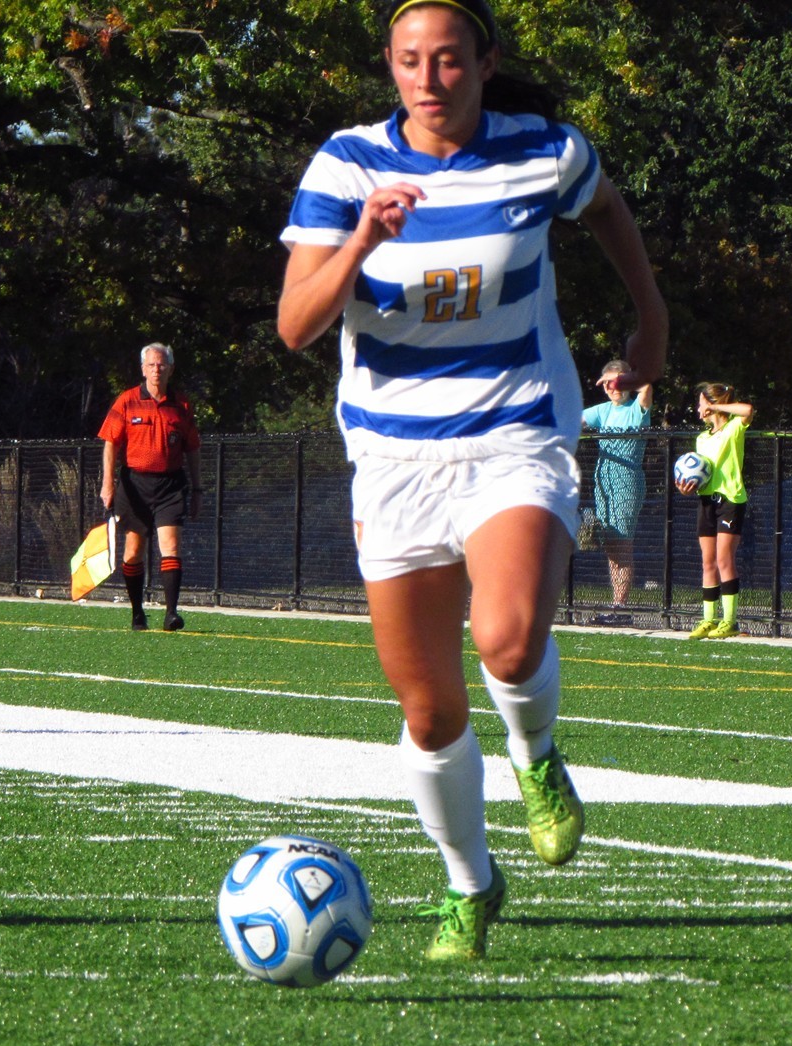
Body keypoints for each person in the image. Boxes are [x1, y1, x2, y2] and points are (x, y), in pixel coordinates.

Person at [277, 0, 667, 962]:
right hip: (393, 456)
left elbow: (606, 205)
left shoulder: (543, 152)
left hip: (515, 430)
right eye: (410, 61)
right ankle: (470, 886)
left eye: (448, 60)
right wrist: (362, 240)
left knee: (504, 636)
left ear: (485, 66)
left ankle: (536, 757)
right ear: (391, 68)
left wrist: (650, 316)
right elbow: (295, 326)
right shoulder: (346, 167)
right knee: (429, 711)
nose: (428, 78)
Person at [97, 343, 203, 632]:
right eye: (151, 365)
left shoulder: (181, 405)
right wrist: (108, 484)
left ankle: (171, 613)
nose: (157, 369)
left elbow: (192, 449)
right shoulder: (127, 401)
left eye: (162, 364)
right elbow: (110, 443)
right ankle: (137, 613)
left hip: (170, 485)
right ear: (143, 369)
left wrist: (197, 489)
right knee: (133, 551)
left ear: (170, 368)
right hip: (134, 486)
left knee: (171, 546)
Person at [675, 383, 754, 639]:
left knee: (724, 560)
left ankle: (730, 621)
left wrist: (716, 405)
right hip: (707, 501)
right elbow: (703, 477)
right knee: (708, 562)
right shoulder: (702, 438)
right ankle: (709, 619)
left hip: (730, 500)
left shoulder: (733, 429)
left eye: (701, 403)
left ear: (712, 404)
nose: (699, 409)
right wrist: (688, 488)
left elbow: (747, 410)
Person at [581, 360, 654, 623]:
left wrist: (629, 379)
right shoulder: (603, 411)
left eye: (620, 382)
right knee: (610, 546)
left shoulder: (636, 409)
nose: (615, 388)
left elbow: (646, 389)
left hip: (627, 481)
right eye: (610, 383)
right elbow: (573, 422)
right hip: (604, 483)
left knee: (622, 545)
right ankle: (616, 603)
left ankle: (620, 608)